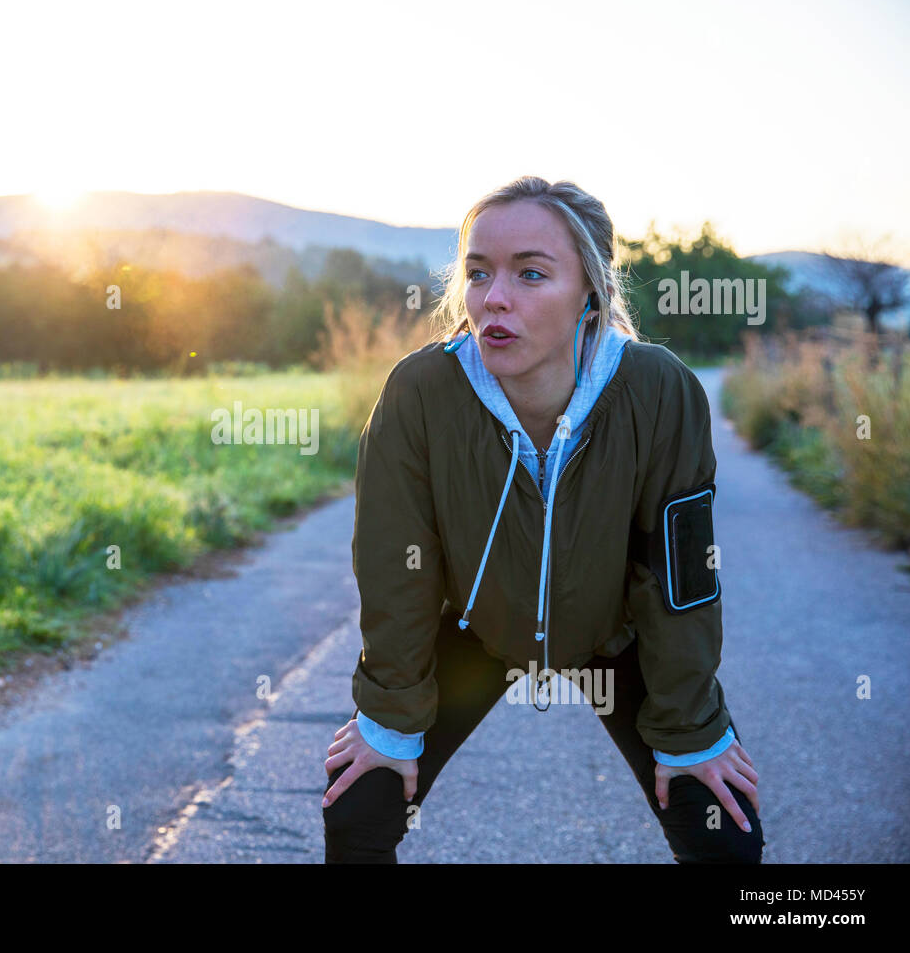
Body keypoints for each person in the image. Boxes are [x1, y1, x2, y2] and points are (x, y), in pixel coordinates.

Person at [321, 176, 764, 864]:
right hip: (477, 628)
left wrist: (688, 735)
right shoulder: (420, 392)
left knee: (725, 835)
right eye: (478, 273)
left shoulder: (658, 389)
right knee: (356, 811)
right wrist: (389, 718)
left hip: (615, 636)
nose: (494, 298)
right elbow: (393, 570)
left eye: (531, 273)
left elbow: (678, 578)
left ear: (590, 288)